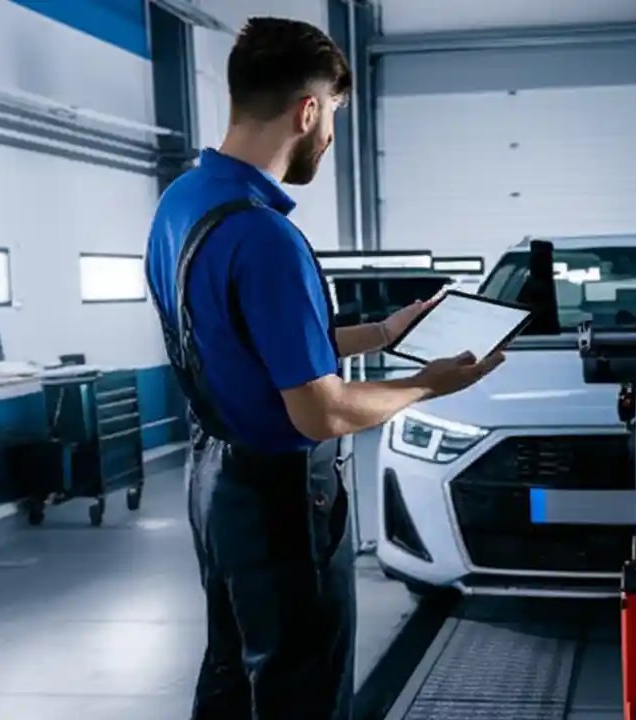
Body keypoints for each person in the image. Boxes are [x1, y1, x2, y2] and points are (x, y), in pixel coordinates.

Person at [143, 16, 504, 720]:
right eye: (333, 114)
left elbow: (242, 345)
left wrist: (381, 330)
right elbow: (323, 411)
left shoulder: (181, 204)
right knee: (300, 685)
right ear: (308, 110)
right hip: (282, 504)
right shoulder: (266, 235)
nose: (330, 134)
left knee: (229, 670)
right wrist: (431, 381)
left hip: (213, 481)